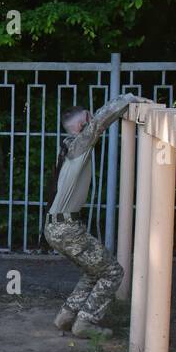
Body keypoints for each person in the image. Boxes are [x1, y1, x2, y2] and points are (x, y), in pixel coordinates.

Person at [44, 93, 148, 337]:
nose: (91, 124)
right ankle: (86, 323)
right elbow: (102, 119)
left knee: (94, 271)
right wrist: (130, 98)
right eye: (87, 120)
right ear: (82, 124)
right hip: (66, 228)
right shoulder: (80, 143)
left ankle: (66, 316)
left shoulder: (68, 146)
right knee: (113, 272)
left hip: (55, 227)